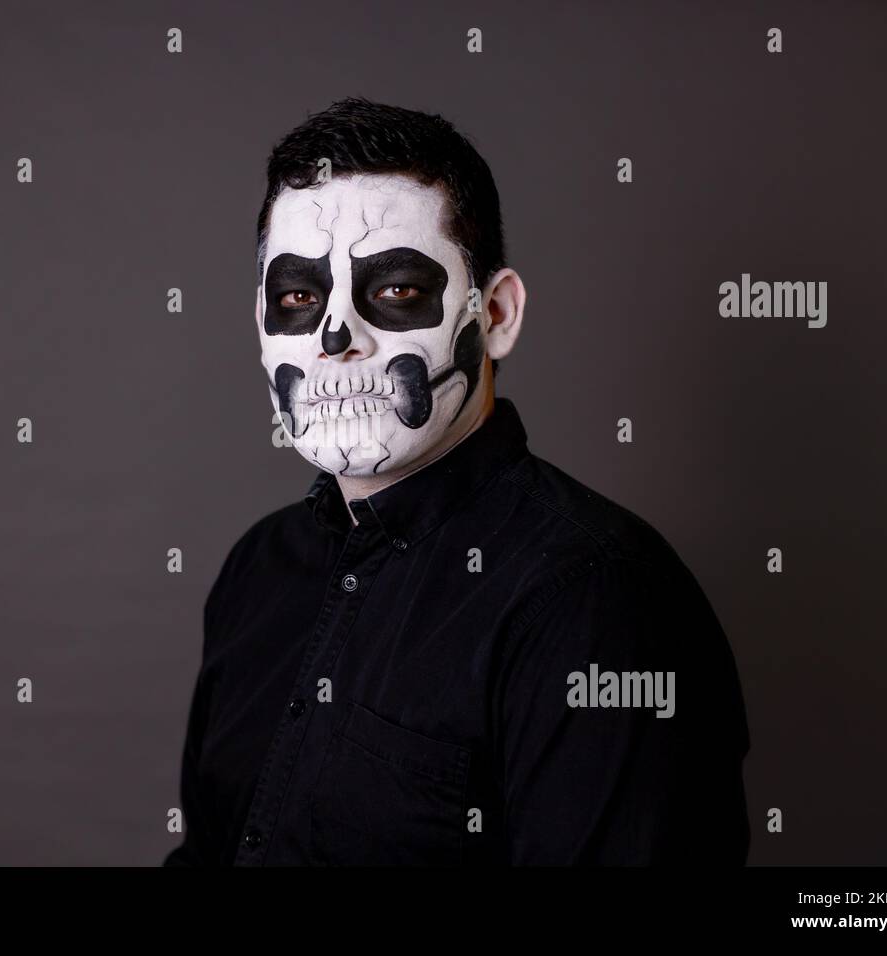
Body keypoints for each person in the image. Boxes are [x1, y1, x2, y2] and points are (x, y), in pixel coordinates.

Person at [164, 98, 750, 866]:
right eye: (300, 299)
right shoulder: (260, 568)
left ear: (497, 313)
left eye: (398, 291)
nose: (337, 337)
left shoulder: (598, 598)